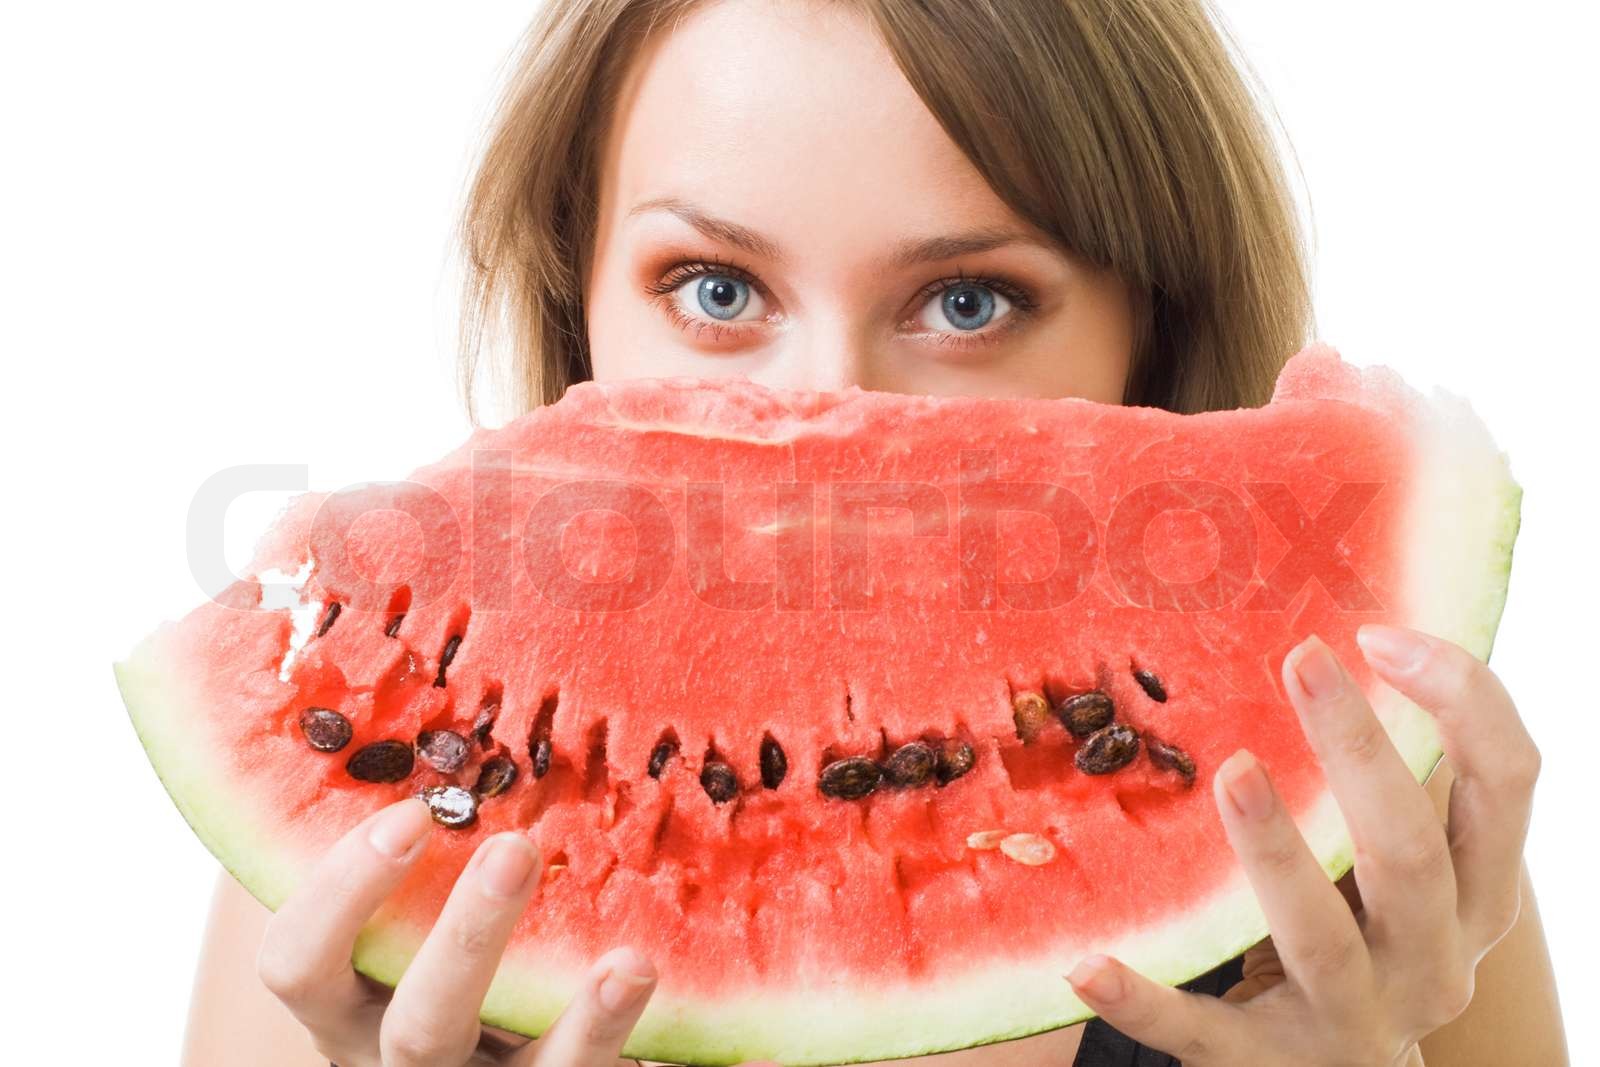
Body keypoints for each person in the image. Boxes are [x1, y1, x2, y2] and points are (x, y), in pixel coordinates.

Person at [183, 1, 1568, 1064]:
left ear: (1156, 328)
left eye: (967, 302)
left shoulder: (1375, 870)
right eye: (716, 287)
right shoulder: (383, 858)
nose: (825, 419)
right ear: (579, 297)